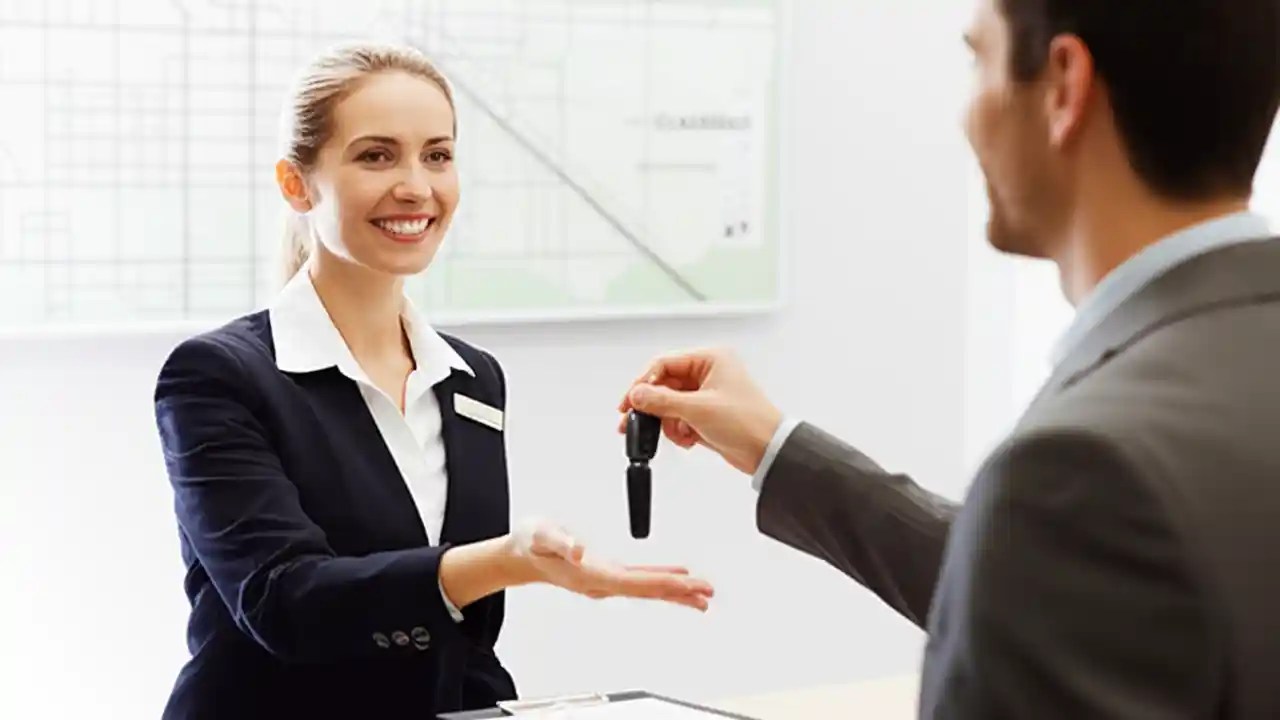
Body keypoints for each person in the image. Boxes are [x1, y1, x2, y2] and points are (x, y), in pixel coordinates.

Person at [620, 0, 1280, 716]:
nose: (966, 120)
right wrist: (776, 447)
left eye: (979, 61)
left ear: (1063, 86)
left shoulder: (1087, 468)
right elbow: (1059, 594)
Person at [153, 43, 713, 720]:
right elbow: (285, 604)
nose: (417, 185)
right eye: (376, 155)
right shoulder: (218, 377)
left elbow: (464, 646)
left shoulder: (473, 379)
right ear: (296, 183)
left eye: (438, 155)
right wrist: (509, 561)